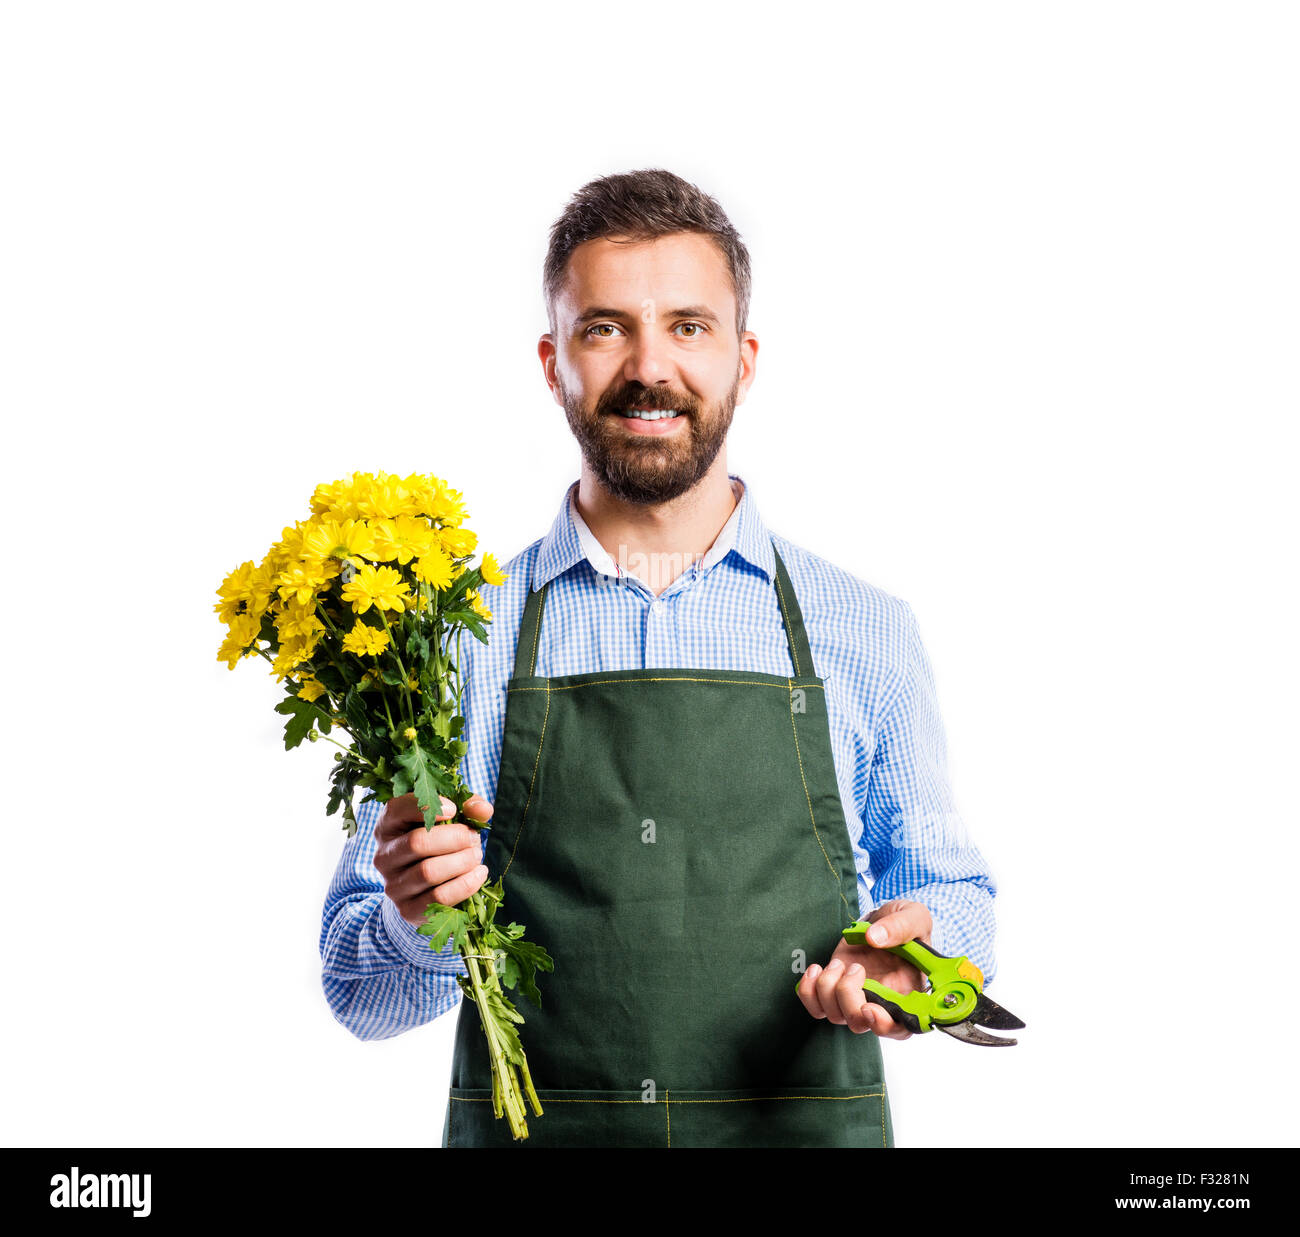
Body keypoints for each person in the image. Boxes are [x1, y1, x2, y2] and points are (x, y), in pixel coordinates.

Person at [319, 169, 998, 1147]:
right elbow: (359, 992)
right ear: (553, 361)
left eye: (688, 325)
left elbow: (951, 890)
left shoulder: (863, 629)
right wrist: (415, 917)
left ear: (743, 357)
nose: (649, 365)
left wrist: (919, 959)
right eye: (605, 328)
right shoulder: (454, 641)